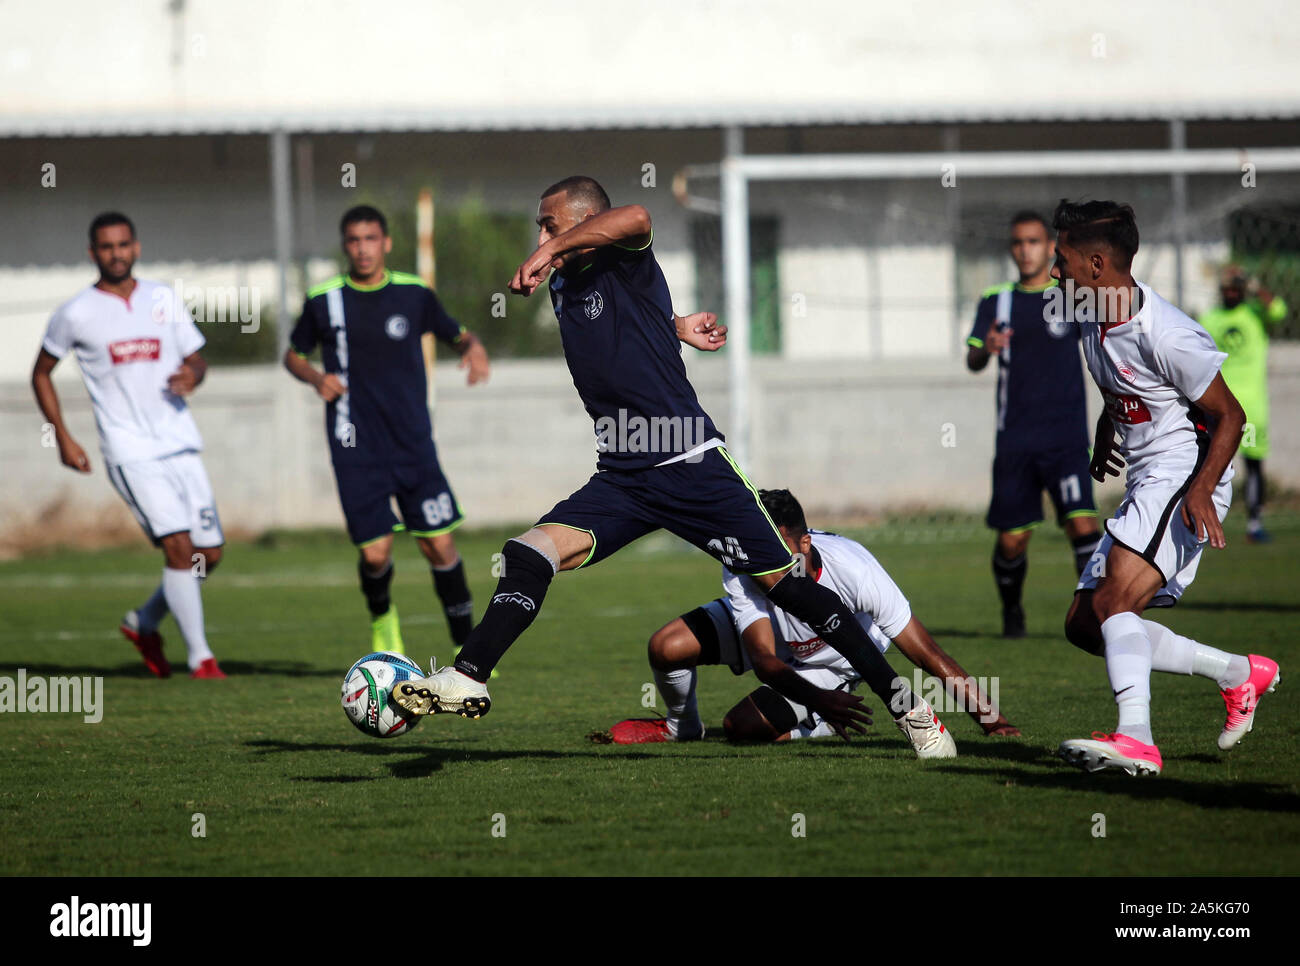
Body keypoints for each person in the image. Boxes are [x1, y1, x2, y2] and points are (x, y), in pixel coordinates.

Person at [391, 175, 949, 757]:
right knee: (529, 552)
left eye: (549, 224)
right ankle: (470, 674)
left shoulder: (620, 254)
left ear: (583, 224)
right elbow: (630, 325)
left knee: (788, 589)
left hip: (690, 462)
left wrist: (555, 249)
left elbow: (635, 215)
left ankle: (911, 714)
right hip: (624, 475)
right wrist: (674, 326)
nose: (540, 236)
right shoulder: (561, 283)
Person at [1051, 199, 1279, 777]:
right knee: (1085, 624)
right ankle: (1238, 674)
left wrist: (1201, 488)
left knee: (1113, 604)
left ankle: (1137, 740)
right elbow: (1122, 386)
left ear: (1098, 264)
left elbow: (1231, 415)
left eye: (1063, 259)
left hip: (1185, 475)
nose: (1056, 271)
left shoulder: (1170, 333)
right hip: (1148, 478)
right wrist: (1109, 428)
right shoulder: (1088, 313)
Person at [603, 488, 1017, 748]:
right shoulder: (745, 558)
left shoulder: (855, 570)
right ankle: (682, 727)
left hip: (827, 664)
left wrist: (993, 722)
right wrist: (812, 697)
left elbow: (926, 653)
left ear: (805, 542)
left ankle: (818, 724)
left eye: (778, 550)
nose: (767, 562)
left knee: (741, 726)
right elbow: (764, 660)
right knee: (666, 646)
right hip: (774, 643)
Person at [285, 205, 490, 658]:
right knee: (375, 555)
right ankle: (384, 625)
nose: (362, 249)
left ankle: (468, 650)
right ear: (345, 246)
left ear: (387, 243)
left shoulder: (414, 295)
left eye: (370, 239)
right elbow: (293, 354)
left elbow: (458, 334)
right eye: (354, 240)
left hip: (412, 443)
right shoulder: (324, 300)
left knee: (440, 545)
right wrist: (317, 378)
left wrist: (475, 349)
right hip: (354, 446)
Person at [32, 212, 226, 679]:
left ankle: (144, 622)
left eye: (122, 245)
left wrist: (192, 376)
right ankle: (202, 658)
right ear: (92, 253)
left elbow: (197, 359)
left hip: (179, 440)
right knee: (179, 548)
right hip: (129, 449)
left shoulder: (163, 297)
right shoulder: (75, 312)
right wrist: (62, 435)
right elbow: (41, 373)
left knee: (208, 555)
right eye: (105, 246)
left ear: (136, 247)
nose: (115, 253)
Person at [966, 211, 1101, 638]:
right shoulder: (996, 300)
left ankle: (1097, 617)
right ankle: (1012, 612)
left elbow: (1106, 346)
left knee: (1082, 525)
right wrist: (985, 349)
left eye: (1034, 242)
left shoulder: (1071, 296)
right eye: (1018, 243)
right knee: (1012, 541)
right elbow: (972, 361)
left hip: (1066, 438)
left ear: (1049, 247)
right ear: (1012, 249)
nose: (1026, 250)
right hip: (1016, 441)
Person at [1198, 265, 1288, 543]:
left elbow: (1279, 310)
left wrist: (1253, 284)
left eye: (1236, 288)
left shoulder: (1254, 314)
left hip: (1251, 407)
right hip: (1216, 404)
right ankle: (1200, 519)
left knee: (1253, 466)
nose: (1232, 293)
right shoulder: (1209, 318)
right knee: (1207, 463)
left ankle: (1254, 524)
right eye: (1227, 289)